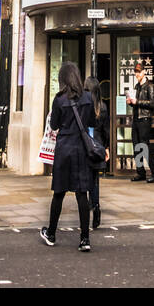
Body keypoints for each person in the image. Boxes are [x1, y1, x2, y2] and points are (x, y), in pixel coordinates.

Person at [40, 63, 95, 251]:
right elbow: (92, 122)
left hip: (64, 148)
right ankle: (85, 239)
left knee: (59, 193)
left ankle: (52, 233)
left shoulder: (59, 99)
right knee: (82, 194)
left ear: (63, 79)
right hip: (81, 148)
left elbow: (54, 125)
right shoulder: (88, 97)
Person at [128, 60, 154, 182]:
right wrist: (131, 103)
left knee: (144, 146)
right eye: (135, 72)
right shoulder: (137, 86)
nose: (137, 74)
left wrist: (137, 102)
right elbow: (137, 104)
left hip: (145, 119)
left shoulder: (150, 86)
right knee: (136, 146)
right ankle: (140, 172)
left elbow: (152, 103)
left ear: (144, 72)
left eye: (139, 72)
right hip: (136, 119)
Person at [84, 75, 109, 229]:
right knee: (95, 181)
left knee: (85, 180)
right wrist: (106, 148)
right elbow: (106, 131)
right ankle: (97, 206)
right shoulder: (103, 106)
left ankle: (87, 207)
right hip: (98, 146)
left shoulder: (83, 105)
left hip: (85, 146)